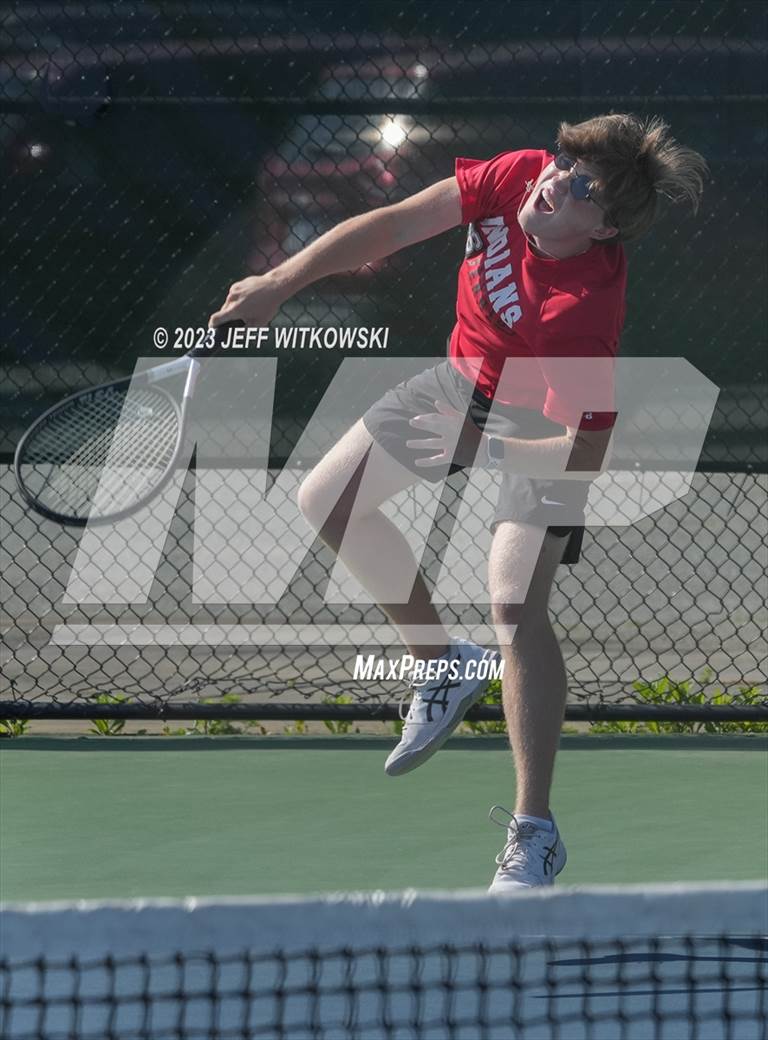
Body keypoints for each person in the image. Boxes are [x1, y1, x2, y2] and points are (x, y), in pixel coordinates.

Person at [210, 113, 708, 891]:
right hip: (459, 384)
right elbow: (394, 223)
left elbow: (587, 452)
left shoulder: (580, 312)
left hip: (540, 428)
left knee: (513, 606)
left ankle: (533, 834)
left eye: (582, 186)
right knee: (328, 498)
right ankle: (442, 664)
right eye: (562, 162)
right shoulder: (516, 177)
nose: (555, 181)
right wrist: (281, 282)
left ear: (605, 227)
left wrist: (483, 450)